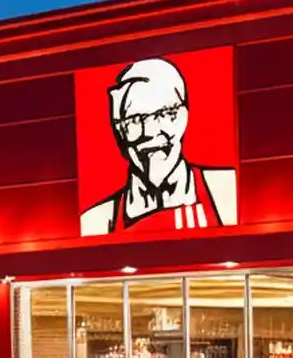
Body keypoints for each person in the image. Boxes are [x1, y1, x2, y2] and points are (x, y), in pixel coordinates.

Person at [80, 58, 237, 236]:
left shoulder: (226, 191)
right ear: (119, 130)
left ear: (183, 116)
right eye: (135, 120)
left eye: (165, 113)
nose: (152, 132)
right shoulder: (96, 222)